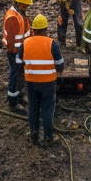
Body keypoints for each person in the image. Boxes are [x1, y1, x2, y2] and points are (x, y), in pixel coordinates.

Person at [17, 14, 63, 145]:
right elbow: (60, 64)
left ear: (33, 30)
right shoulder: (51, 43)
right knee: (48, 108)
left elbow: (18, 62)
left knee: (33, 107)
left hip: (31, 81)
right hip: (48, 82)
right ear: (46, 29)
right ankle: (48, 136)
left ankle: (33, 133)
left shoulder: (25, 43)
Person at [2, 0, 33, 109]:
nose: (26, 7)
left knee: (20, 75)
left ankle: (19, 96)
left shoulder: (20, 14)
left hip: (20, 51)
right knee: (15, 74)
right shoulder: (13, 18)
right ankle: (13, 101)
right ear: (18, 3)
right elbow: (11, 42)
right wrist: (19, 55)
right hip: (15, 53)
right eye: (25, 5)